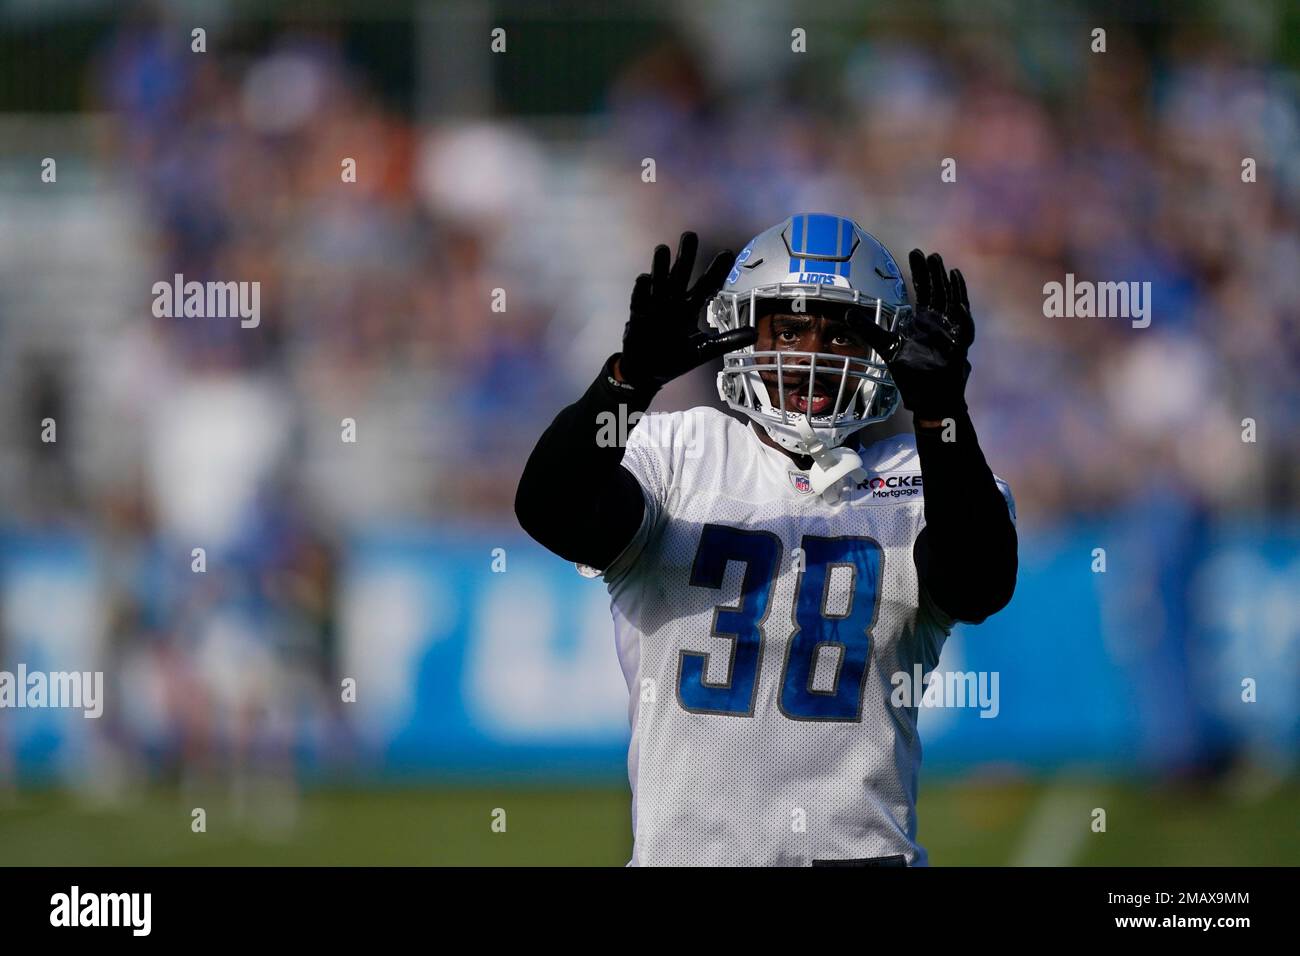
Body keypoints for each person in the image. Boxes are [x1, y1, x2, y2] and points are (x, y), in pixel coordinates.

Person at [515, 214, 1017, 865]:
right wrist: (625, 383)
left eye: (841, 335)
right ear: (746, 332)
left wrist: (944, 415)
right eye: (790, 330)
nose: (811, 355)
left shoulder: (923, 479)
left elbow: (978, 584)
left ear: (884, 348)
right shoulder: (679, 450)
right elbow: (550, 509)